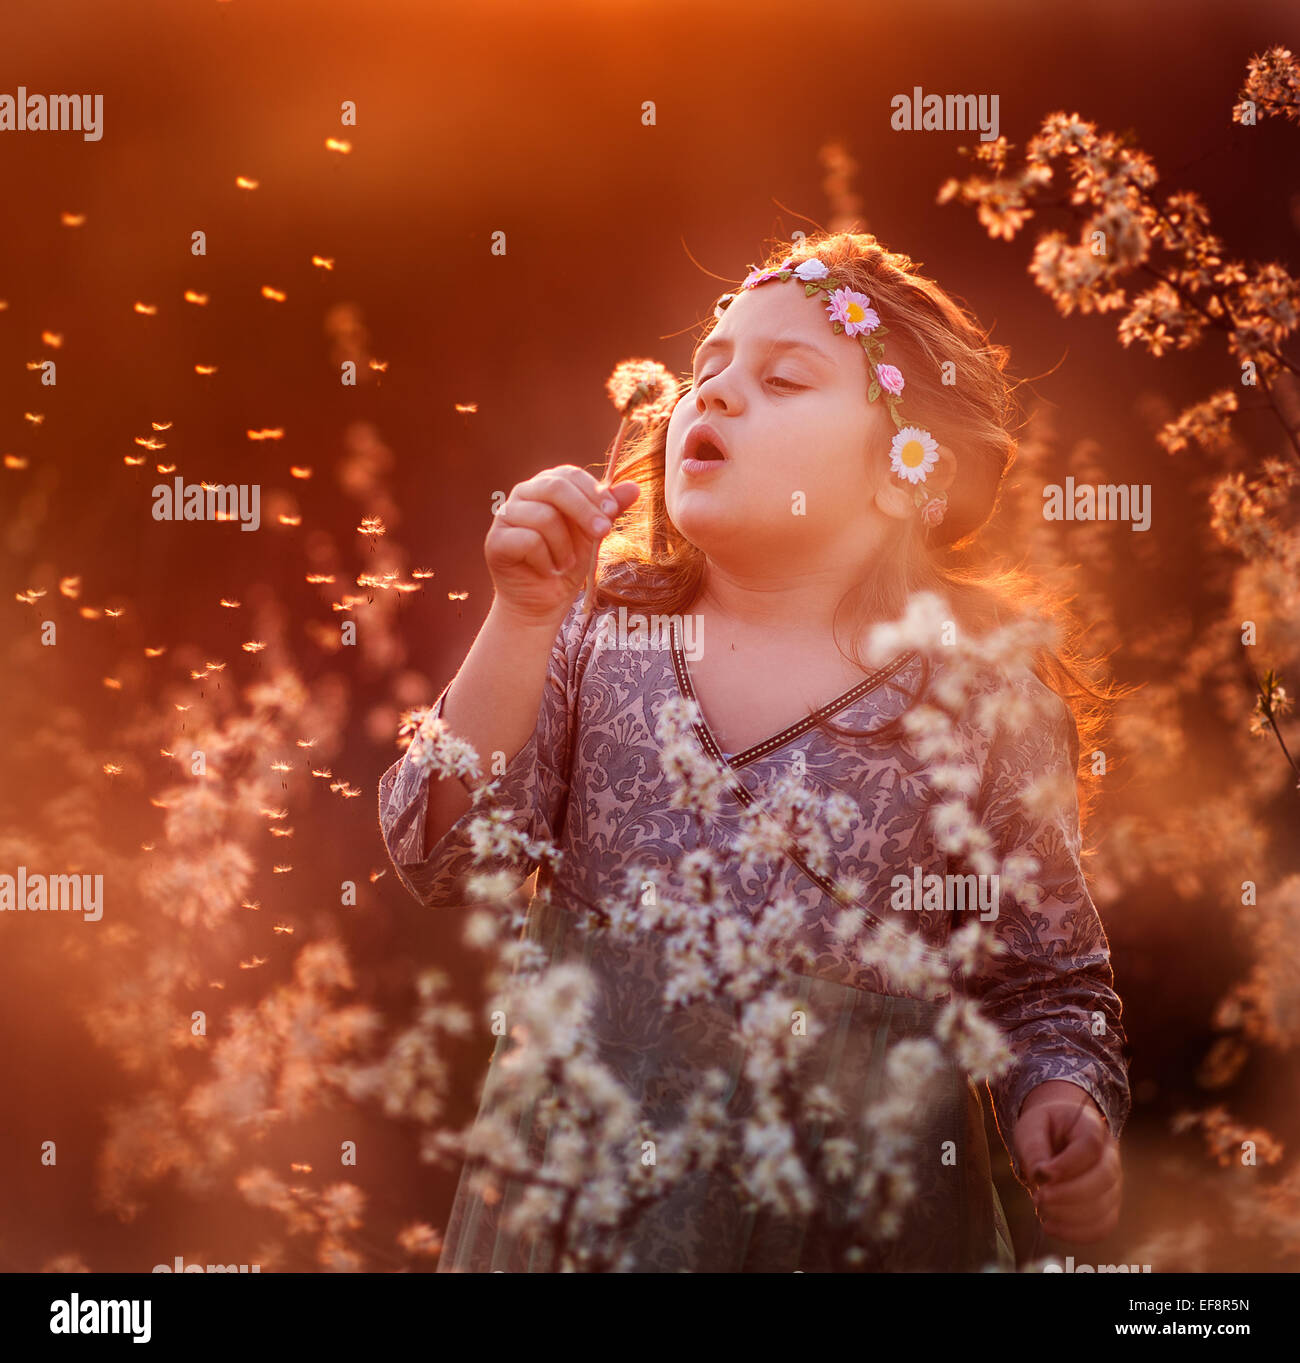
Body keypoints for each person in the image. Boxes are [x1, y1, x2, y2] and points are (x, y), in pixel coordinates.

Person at [378, 231, 1131, 1271]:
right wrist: (516, 617)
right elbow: (442, 855)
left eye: (782, 378)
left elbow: (1044, 981)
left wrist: (1060, 1097)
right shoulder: (596, 637)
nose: (717, 394)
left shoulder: (979, 700)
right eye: (706, 370)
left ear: (907, 474)